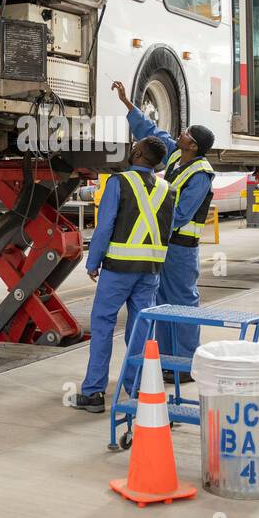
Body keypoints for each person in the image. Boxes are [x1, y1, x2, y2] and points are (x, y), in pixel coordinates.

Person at [111, 80, 216, 377]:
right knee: (163, 303)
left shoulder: (201, 174)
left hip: (181, 250)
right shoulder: (173, 155)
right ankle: (169, 362)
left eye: (186, 134)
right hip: (164, 246)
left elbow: (181, 214)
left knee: (182, 303)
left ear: (193, 146)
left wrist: (148, 221)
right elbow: (151, 133)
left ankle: (185, 364)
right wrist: (127, 104)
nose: (179, 134)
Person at [73, 135, 175, 413]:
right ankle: (138, 388)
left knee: (103, 325)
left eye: (135, 146)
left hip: (118, 269)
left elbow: (105, 226)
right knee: (141, 329)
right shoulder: (168, 189)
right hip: (150, 271)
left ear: (139, 153)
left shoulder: (118, 182)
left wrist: (92, 261)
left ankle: (94, 393)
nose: (131, 148)